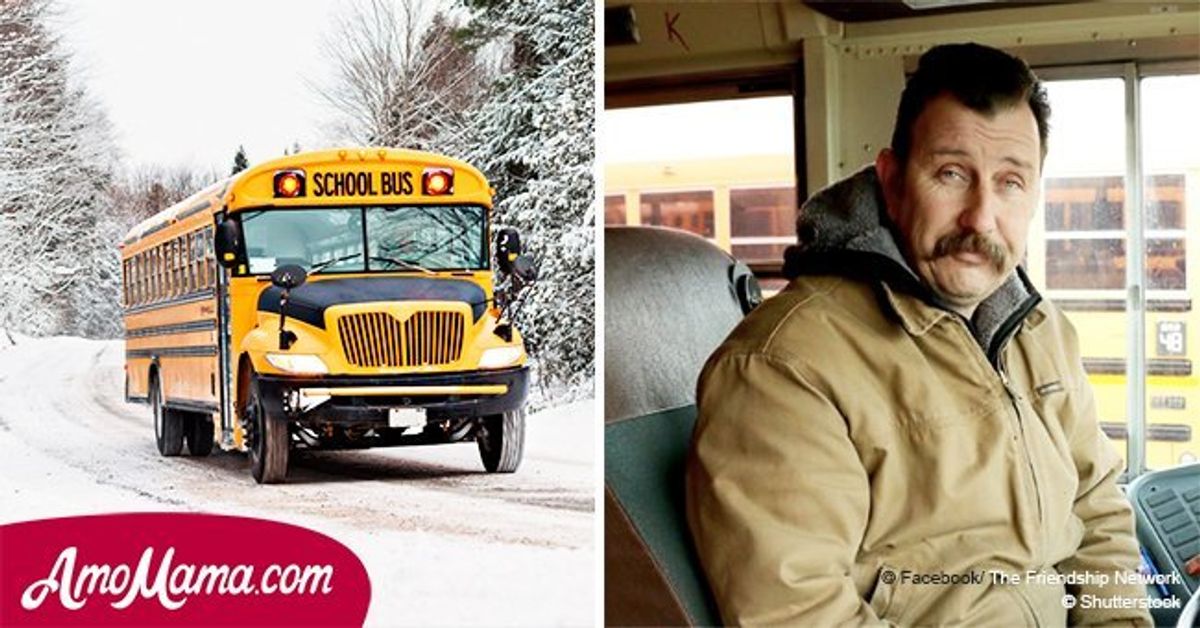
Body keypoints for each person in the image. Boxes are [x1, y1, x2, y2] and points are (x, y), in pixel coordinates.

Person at [686, 43, 1154, 626]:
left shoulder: (1042, 331)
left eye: (1011, 182)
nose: (980, 218)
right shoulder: (782, 367)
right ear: (893, 181)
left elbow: (1099, 511)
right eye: (951, 174)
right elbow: (799, 613)